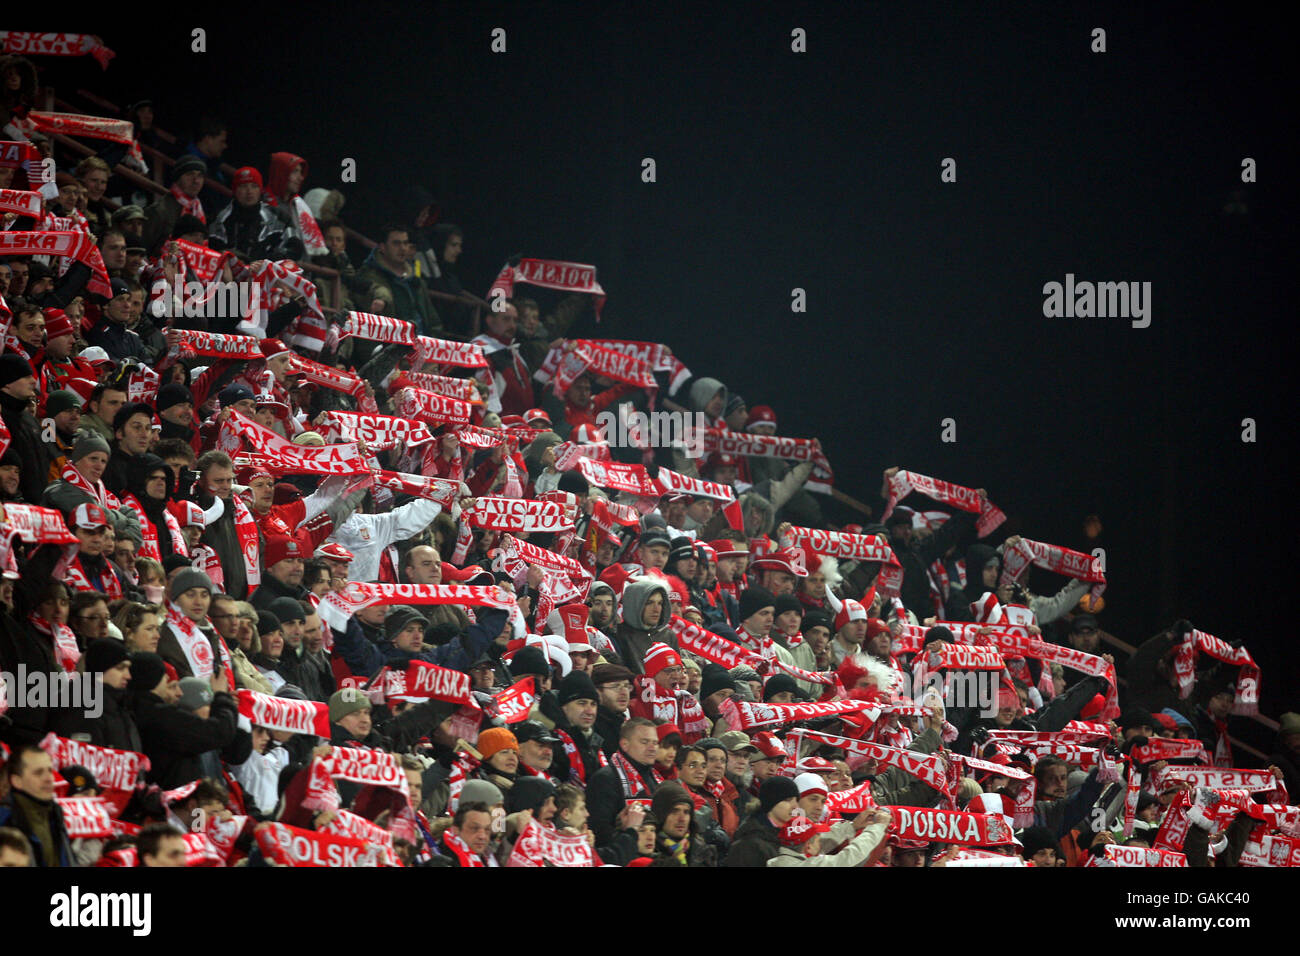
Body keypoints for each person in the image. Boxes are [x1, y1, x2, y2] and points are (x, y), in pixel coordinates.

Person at [0, 746, 72, 866]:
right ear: (17, 781)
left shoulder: (56, 816)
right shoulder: (4, 819)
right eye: (38, 773)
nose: (49, 778)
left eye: (50, 770)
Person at [722, 775, 799, 867]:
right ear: (771, 802)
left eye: (796, 800)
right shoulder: (748, 845)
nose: (795, 806)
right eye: (788, 800)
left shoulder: (795, 838)